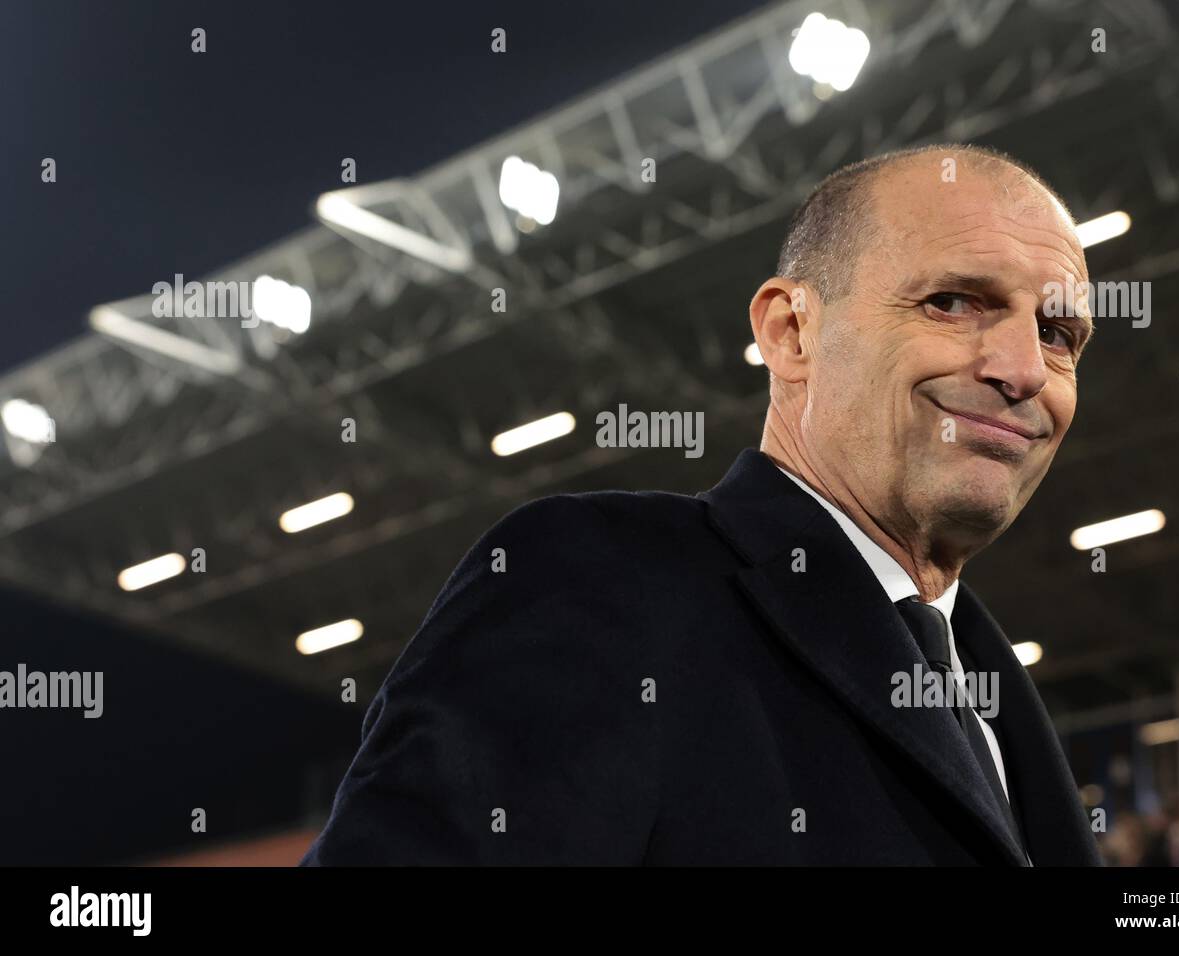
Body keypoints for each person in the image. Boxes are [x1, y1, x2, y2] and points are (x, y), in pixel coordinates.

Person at [302, 143, 1101, 865]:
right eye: (954, 302)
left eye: (1058, 333)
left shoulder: (992, 689)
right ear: (791, 333)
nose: (1025, 370)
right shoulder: (600, 582)